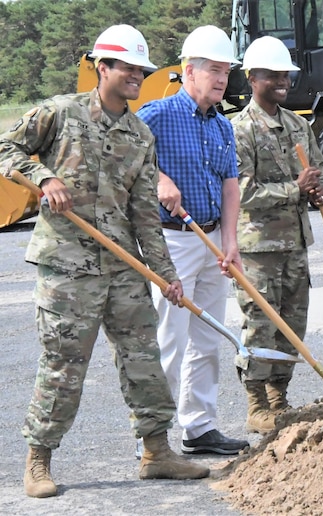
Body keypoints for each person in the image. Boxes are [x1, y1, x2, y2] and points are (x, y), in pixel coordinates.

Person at [0, 25, 209, 499]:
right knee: (63, 365)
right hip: (67, 267)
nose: (138, 76)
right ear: (103, 68)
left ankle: (156, 452)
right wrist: (43, 176)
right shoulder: (60, 113)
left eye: (142, 69)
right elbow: (5, 148)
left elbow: (144, 214)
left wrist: (167, 275)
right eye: (129, 68)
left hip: (122, 267)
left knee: (144, 359)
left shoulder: (139, 135)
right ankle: (39, 458)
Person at [137, 25, 248, 454]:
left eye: (226, 71)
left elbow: (230, 186)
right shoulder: (156, 115)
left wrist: (231, 241)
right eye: (214, 70)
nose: (222, 79)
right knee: (171, 337)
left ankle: (199, 427)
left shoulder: (223, 126)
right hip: (174, 242)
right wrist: (159, 177)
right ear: (189, 71)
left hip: (214, 238)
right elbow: (127, 160)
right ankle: (155, 439)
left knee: (207, 338)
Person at [231, 36, 323, 433]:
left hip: (295, 244)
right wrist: (295, 186)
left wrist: (317, 191)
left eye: (285, 74)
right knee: (260, 324)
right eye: (272, 75)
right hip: (259, 249)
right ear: (252, 79)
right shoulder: (240, 130)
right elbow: (240, 192)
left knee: (293, 324)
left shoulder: (298, 125)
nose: (282, 81)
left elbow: (315, 173)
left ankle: (279, 398)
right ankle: (256, 405)